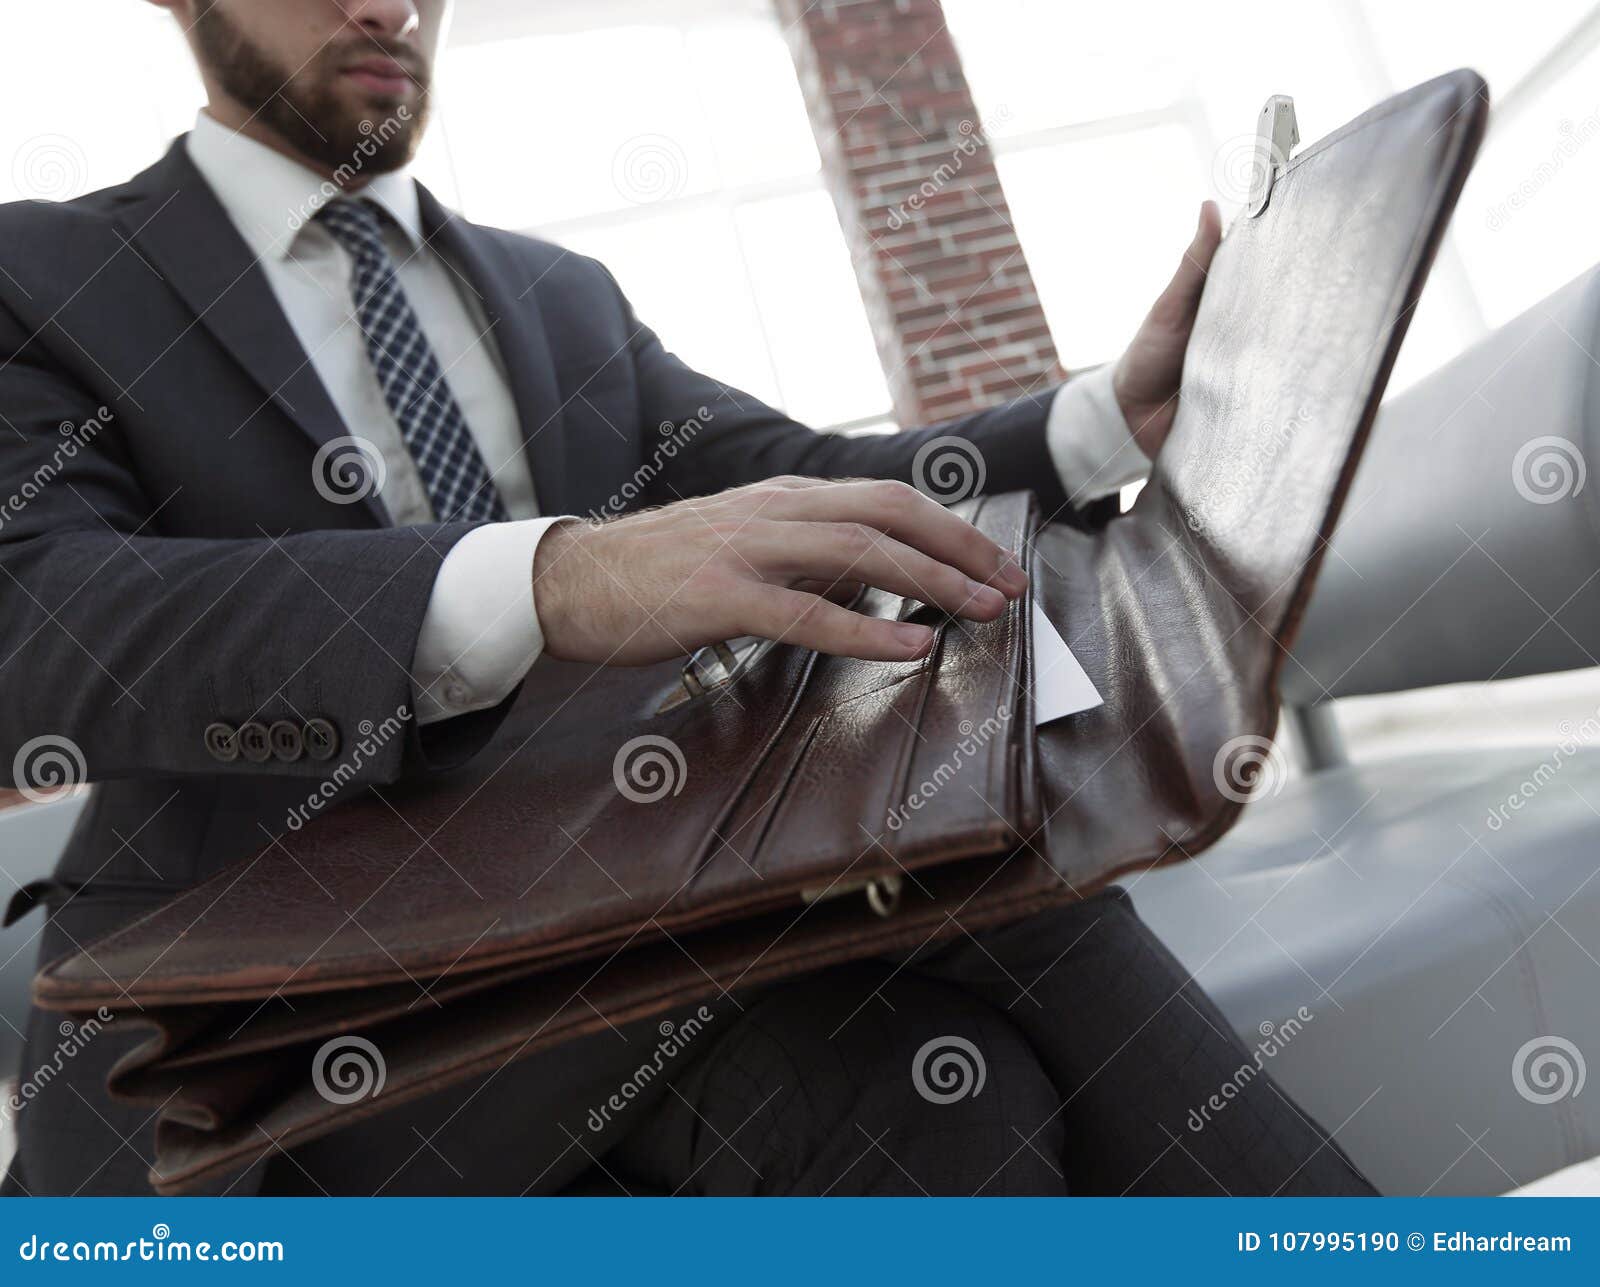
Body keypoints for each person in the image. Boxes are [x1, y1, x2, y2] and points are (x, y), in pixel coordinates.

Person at [0, 0, 1373, 1196]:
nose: (391, 9)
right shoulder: (40, 278)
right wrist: (556, 577)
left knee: (938, 1091)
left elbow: (802, 482)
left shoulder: (557, 295)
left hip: (599, 928)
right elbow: (33, 618)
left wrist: (1107, 418)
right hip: (266, 1033)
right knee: (1003, 887)